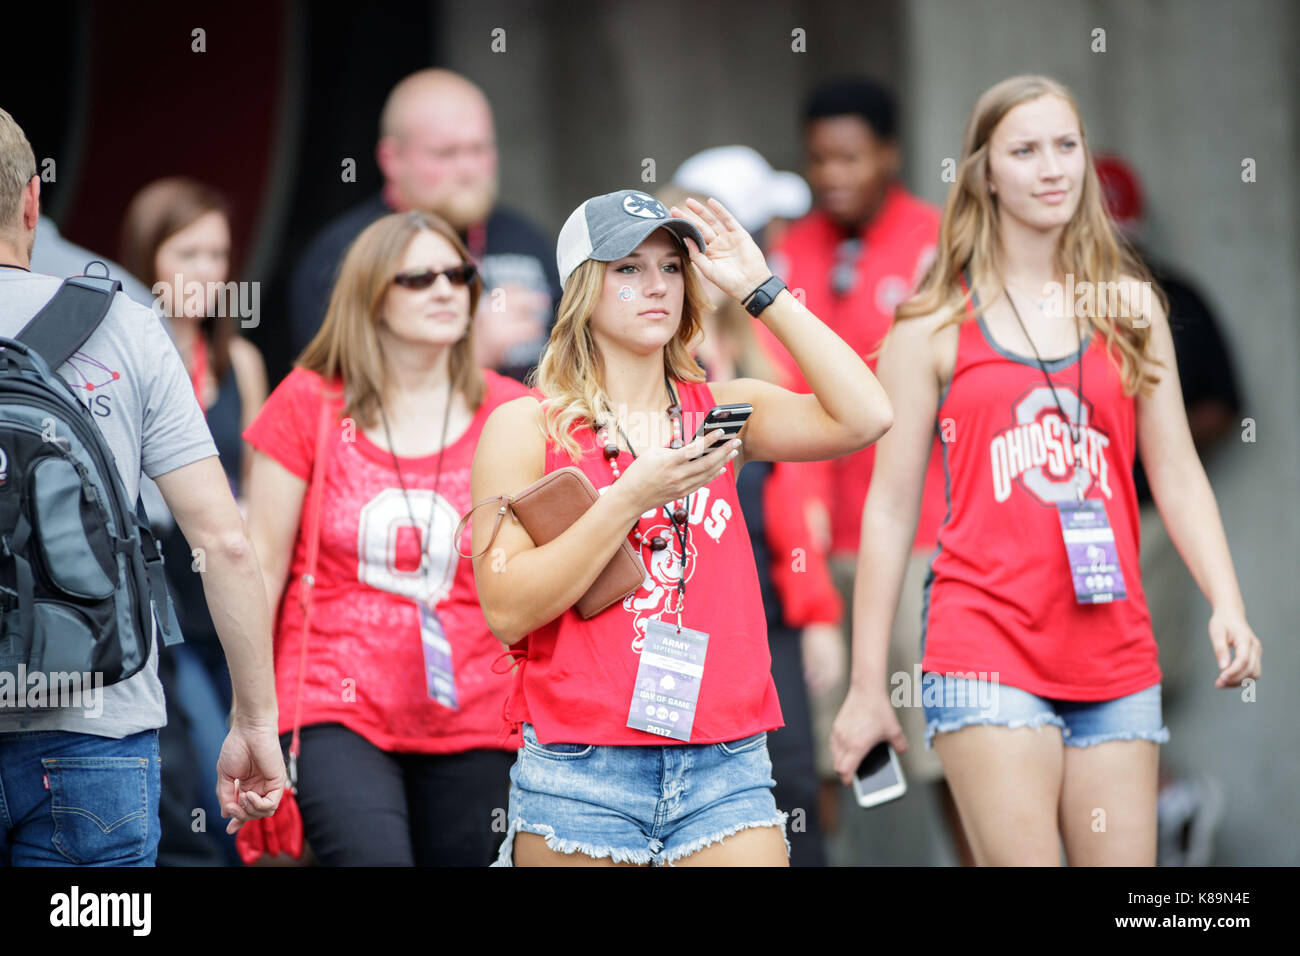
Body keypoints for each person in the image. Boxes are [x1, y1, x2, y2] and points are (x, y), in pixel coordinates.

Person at [830, 75, 1263, 866]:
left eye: (1066, 146)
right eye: (1024, 151)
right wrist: (867, 685)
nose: (1052, 167)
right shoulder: (932, 322)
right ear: (985, 173)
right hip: (982, 638)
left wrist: (1226, 601)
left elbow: (1176, 474)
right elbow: (890, 511)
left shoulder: (1132, 309)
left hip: (1115, 648)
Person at [471, 188, 892, 866]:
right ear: (583, 286)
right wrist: (626, 500)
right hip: (583, 767)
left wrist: (760, 289)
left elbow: (867, 415)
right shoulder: (525, 425)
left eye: (671, 267)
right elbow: (505, 609)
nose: (657, 286)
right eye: (629, 269)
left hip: (727, 763)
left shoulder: (728, 407)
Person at [0, 106, 282, 866]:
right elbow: (223, 542)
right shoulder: (123, 325)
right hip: (96, 725)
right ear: (33, 202)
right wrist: (256, 721)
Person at [244, 210, 530, 866]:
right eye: (418, 277)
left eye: (459, 274)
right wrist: (250, 712)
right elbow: (260, 563)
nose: (445, 290)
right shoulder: (308, 403)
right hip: (332, 704)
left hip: (481, 712)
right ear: (370, 295)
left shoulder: (514, 410)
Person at [762, 77, 955, 853]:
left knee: (945, 754)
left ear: (889, 152)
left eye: (850, 156)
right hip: (810, 536)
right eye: (818, 159)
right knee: (817, 757)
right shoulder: (788, 245)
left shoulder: (936, 240)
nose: (833, 174)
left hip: (917, 536)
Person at [658, 176, 833, 867]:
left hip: (768, 610)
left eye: (688, 252)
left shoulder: (757, 357)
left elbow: (799, 500)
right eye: (663, 258)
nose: (681, 270)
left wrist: (819, 614)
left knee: (791, 782)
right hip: (667, 616)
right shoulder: (639, 369)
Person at [1093, 152, 1243, 864]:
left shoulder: (1164, 297)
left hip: (1142, 518)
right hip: (1051, 522)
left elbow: (1222, 404)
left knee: (1123, 676)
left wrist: (1151, 441)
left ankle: (1168, 803)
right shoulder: (1029, 305)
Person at [119, 176, 270, 865]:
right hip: (157, 606)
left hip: (227, 597)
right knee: (196, 788)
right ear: (148, 258)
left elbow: (258, 492)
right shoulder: (121, 352)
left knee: (233, 795)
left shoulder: (240, 361)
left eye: (218, 255)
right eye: (188, 254)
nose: (207, 272)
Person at [288, 68, 559, 381]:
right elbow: (330, 389)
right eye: (446, 153)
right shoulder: (343, 252)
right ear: (391, 160)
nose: (468, 169)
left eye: (479, 149)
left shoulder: (528, 239)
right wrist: (470, 353)